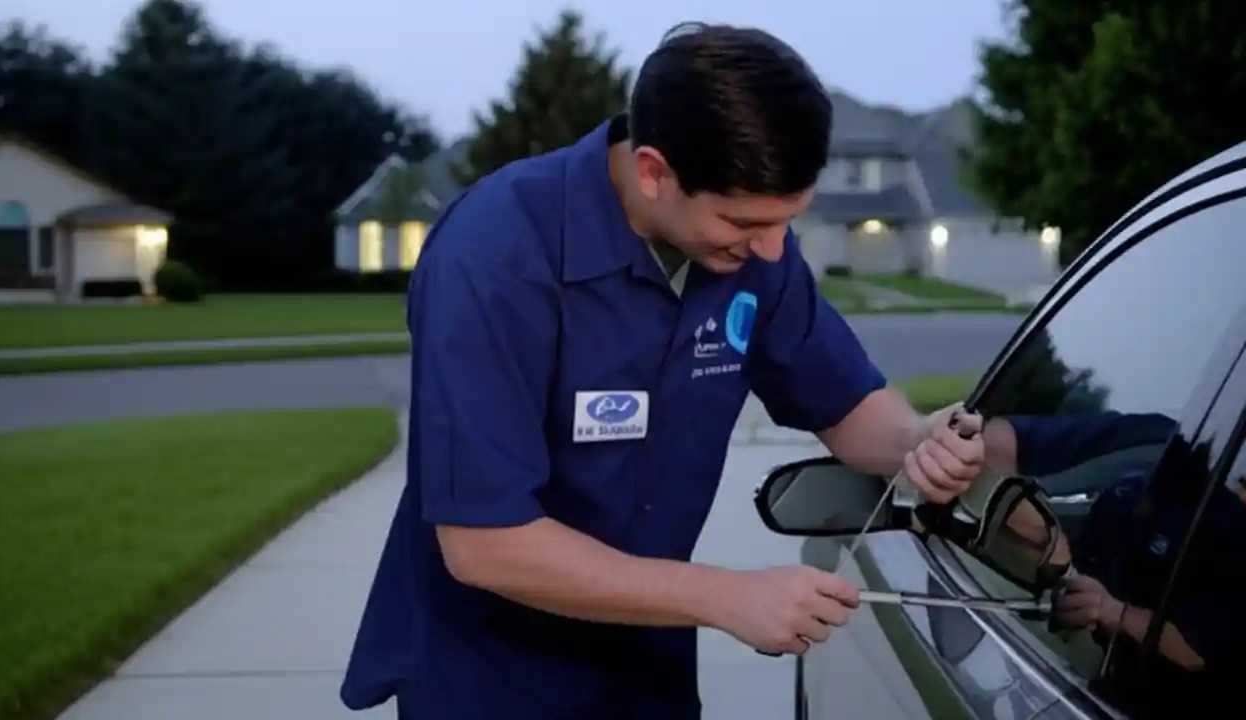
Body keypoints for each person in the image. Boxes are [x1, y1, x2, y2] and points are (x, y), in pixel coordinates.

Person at [339, 21, 986, 719]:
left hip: (647, 674)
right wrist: (728, 597)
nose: (772, 252)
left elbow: (845, 405)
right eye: (744, 223)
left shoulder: (749, 254)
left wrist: (922, 439)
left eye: (784, 222)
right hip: (491, 676)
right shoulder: (493, 258)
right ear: (654, 172)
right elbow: (485, 545)